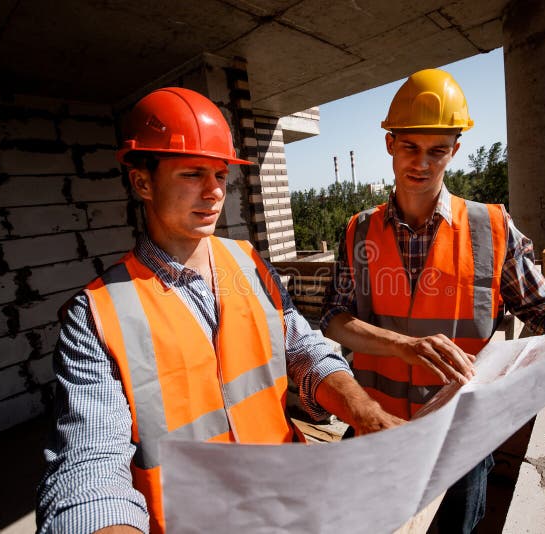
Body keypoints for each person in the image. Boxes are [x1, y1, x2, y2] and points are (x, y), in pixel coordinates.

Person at [321, 69, 545, 533]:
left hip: (461, 434)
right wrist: (403, 346)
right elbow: (334, 319)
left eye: (437, 150)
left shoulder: (491, 227)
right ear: (390, 143)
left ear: (455, 150)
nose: (422, 164)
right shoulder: (359, 230)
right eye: (410, 146)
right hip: (377, 424)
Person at [36, 87, 403, 534]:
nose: (213, 193)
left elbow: (304, 351)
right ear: (142, 182)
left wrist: (362, 410)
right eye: (192, 174)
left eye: (220, 174)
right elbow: (88, 470)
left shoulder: (247, 262)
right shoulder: (96, 315)